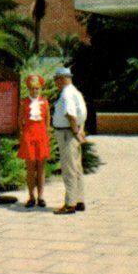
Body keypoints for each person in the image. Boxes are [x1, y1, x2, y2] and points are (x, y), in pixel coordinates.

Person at [50, 66, 87, 214]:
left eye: (57, 79)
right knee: (77, 168)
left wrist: (75, 132)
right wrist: (80, 130)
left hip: (67, 133)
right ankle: (79, 200)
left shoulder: (66, 94)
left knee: (69, 169)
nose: (55, 82)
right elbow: (82, 114)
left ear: (63, 79)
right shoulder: (75, 92)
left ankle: (70, 204)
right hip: (73, 131)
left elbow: (71, 115)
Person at [16, 74, 50, 208]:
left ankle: (41, 197)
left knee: (41, 168)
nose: (34, 91)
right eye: (32, 88)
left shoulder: (45, 102)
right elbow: (20, 121)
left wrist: (45, 134)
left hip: (41, 137)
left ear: (40, 89)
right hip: (29, 137)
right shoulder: (23, 103)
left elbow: (47, 120)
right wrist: (23, 134)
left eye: (37, 88)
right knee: (30, 169)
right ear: (28, 89)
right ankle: (31, 197)